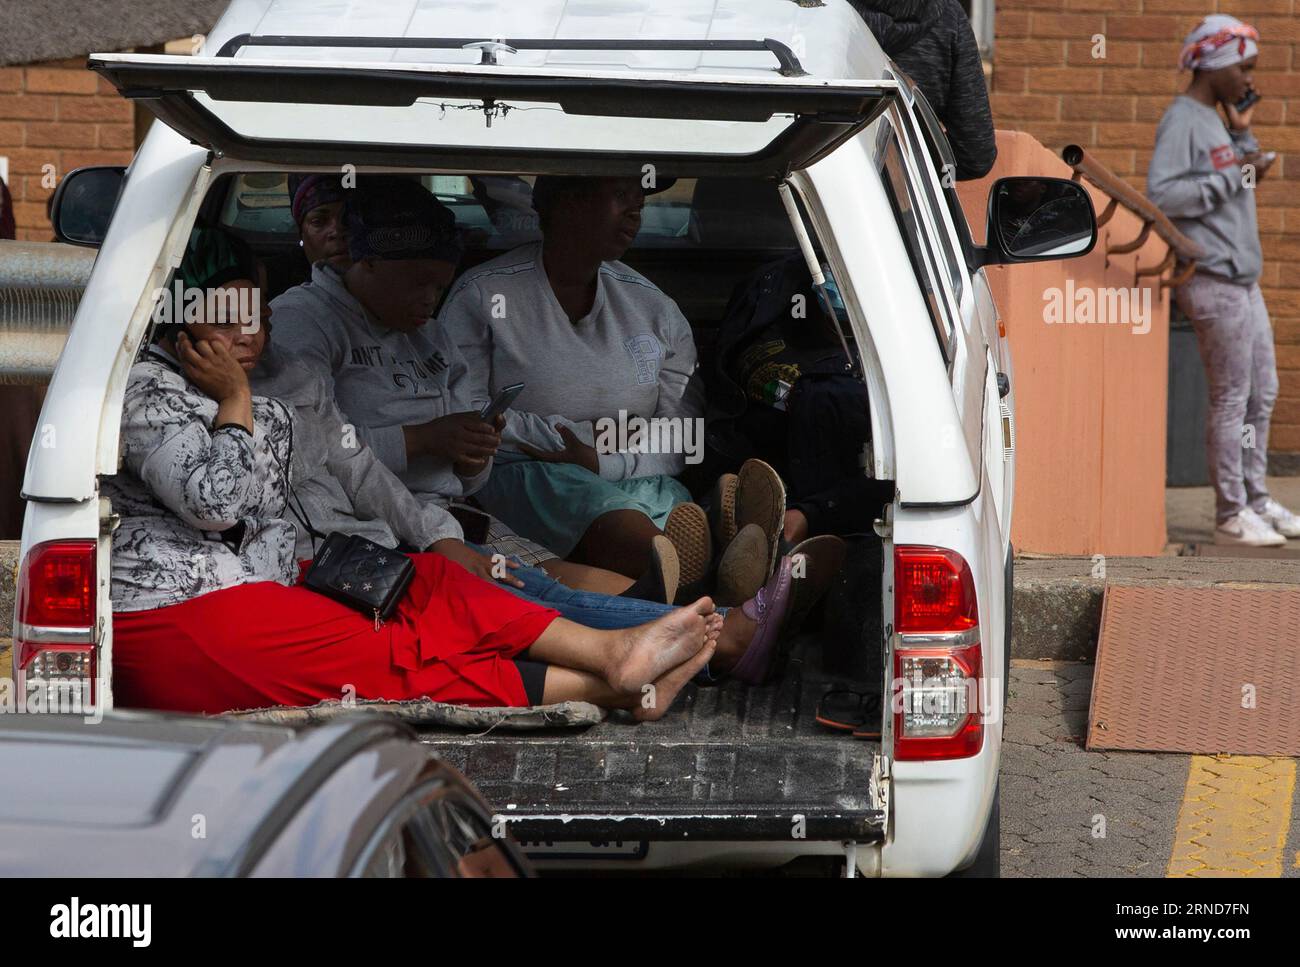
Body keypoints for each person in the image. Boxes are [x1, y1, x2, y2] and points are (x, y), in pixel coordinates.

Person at [103, 226, 723, 716]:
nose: (250, 333)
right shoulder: (147, 395)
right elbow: (216, 503)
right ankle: (621, 684)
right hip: (184, 613)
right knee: (396, 650)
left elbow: (351, 459)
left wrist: (439, 524)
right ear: (177, 315)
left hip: (280, 582)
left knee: (433, 581)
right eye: (224, 314)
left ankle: (618, 655)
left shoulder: (284, 380)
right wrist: (235, 401)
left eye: (256, 313)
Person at [269, 176, 666, 596]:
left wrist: (474, 454)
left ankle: (693, 617)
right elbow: (309, 451)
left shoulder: (432, 336)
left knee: (571, 581)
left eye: (439, 287)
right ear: (365, 262)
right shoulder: (305, 321)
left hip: (452, 512)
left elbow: (466, 483)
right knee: (551, 598)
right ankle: (709, 627)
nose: (430, 299)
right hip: (366, 520)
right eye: (417, 283)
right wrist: (422, 440)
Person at [440, 175, 709, 579]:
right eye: (621, 195)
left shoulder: (655, 308)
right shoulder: (483, 294)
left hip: (633, 471)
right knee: (625, 528)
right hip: (524, 469)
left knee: (667, 512)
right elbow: (466, 415)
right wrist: (579, 443)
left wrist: (601, 460)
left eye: (641, 200)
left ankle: (707, 562)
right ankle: (697, 574)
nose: (636, 210)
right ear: (565, 204)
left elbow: (682, 435)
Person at [1148, 14, 1300, 546]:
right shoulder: (1183, 120)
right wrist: (1232, 175)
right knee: (1233, 397)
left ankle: (1256, 500)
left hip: (1244, 280)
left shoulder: (1215, 119)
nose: (1248, 80)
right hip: (1211, 276)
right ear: (1213, 65)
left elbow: (1239, 179)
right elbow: (1163, 196)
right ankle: (1231, 513)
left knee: (1263, 392)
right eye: (1243, 68)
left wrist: (1245, 136)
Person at [849, 0, 996, 180]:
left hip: (824, 191)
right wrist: (915, 172)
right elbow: (976, 155)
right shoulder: (948, 16)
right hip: (906, 201)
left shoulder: (819, 12)